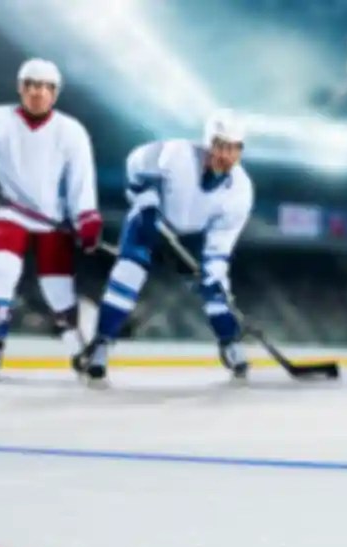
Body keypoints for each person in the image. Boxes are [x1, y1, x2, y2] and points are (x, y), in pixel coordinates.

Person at [75, 109, 254, 386]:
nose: (226, 155)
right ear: (208, 144)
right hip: (152, 220)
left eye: (234, 148)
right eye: (221, 146)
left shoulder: (240, 190)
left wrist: (213, 272)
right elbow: (135, 164)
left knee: (216, 287)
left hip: (192, 237)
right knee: (128, 273)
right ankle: (101, 344)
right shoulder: (176, 154)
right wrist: (146, 202)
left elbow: (220, 244)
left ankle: (229, 341)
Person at [0, 58, 102, 380]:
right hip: (12, 214)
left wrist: (86, 217)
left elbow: (82, 181)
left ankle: (76, 347)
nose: (38, 92)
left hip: (54, 221)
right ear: (21, 88)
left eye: (45, 87)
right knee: (1, 271)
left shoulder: (71, 132)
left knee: (58, 291)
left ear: (55, 92)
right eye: (31, 85)